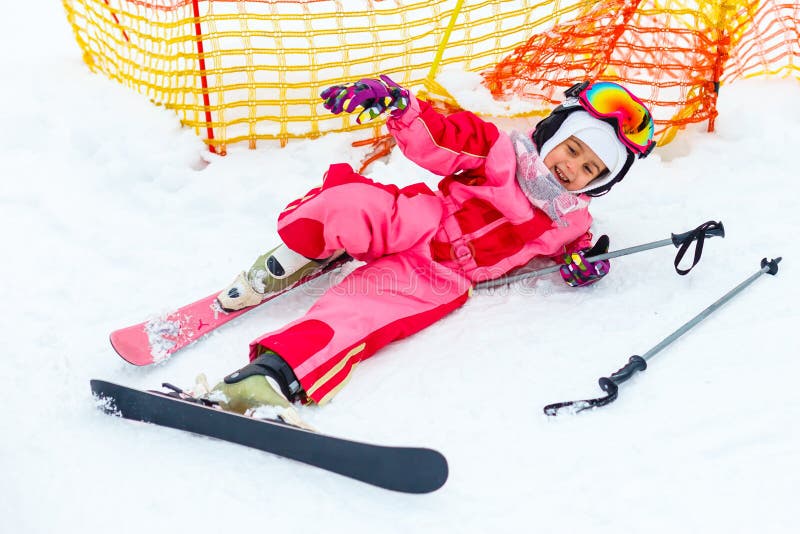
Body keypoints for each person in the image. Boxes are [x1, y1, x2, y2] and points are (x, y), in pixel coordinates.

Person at [193, 77, 656, 426]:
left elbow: (576, 255)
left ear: (600, 182)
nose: (572, 167)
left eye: (590, 169)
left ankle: (268, 376)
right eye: (571, 150)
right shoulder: (499, 151)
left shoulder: (571, 220)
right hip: (423, 218)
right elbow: (443, 137)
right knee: (350, 203)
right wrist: (401, 107)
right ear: (554, 134)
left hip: (438, 278)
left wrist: (584, 266)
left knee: (357, 314)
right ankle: (293, 258)